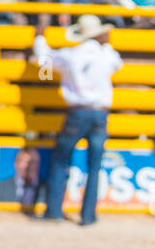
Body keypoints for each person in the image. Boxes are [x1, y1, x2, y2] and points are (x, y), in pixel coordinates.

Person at [33, 14, 123, 226]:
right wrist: (106, 45)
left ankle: (54, 211)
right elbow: (117, 64)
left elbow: (43, 61)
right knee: (95, 164)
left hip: (78, 112)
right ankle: (88, 216)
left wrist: (39, 38)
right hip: (100, 113)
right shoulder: (107, 56)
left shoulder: (71, 55)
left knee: (61, 159)